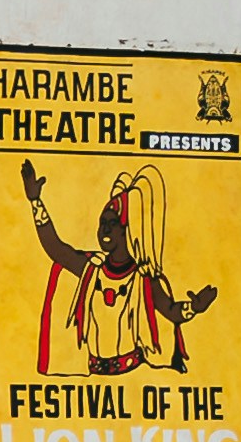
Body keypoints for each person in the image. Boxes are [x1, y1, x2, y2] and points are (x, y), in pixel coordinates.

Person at [22, 159, 220, 374]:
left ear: (129, 229)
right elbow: (56, 249)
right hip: (96, 379)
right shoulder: (92, 269)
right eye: (102, 223)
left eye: (113, 224)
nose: (105, 230)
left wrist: (194, 307)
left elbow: (172, 311)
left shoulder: (143, 278)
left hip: (132, 375)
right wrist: (35, 201)